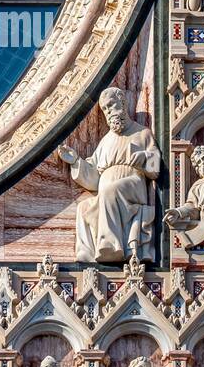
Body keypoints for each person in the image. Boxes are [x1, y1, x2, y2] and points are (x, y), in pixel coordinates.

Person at [58, 86, 160, 265]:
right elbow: (94, 177)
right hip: (107, 192)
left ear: (122, 102)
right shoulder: (106, 141)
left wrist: (143, 157)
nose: (109, 111)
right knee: (84, 207)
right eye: (105, 109)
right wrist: (75, 161)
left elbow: (155, 166)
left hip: (132, 184)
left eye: (112, 105)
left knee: (109, 191)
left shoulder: (142, 133)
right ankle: (87, 253)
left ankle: (110, 245)